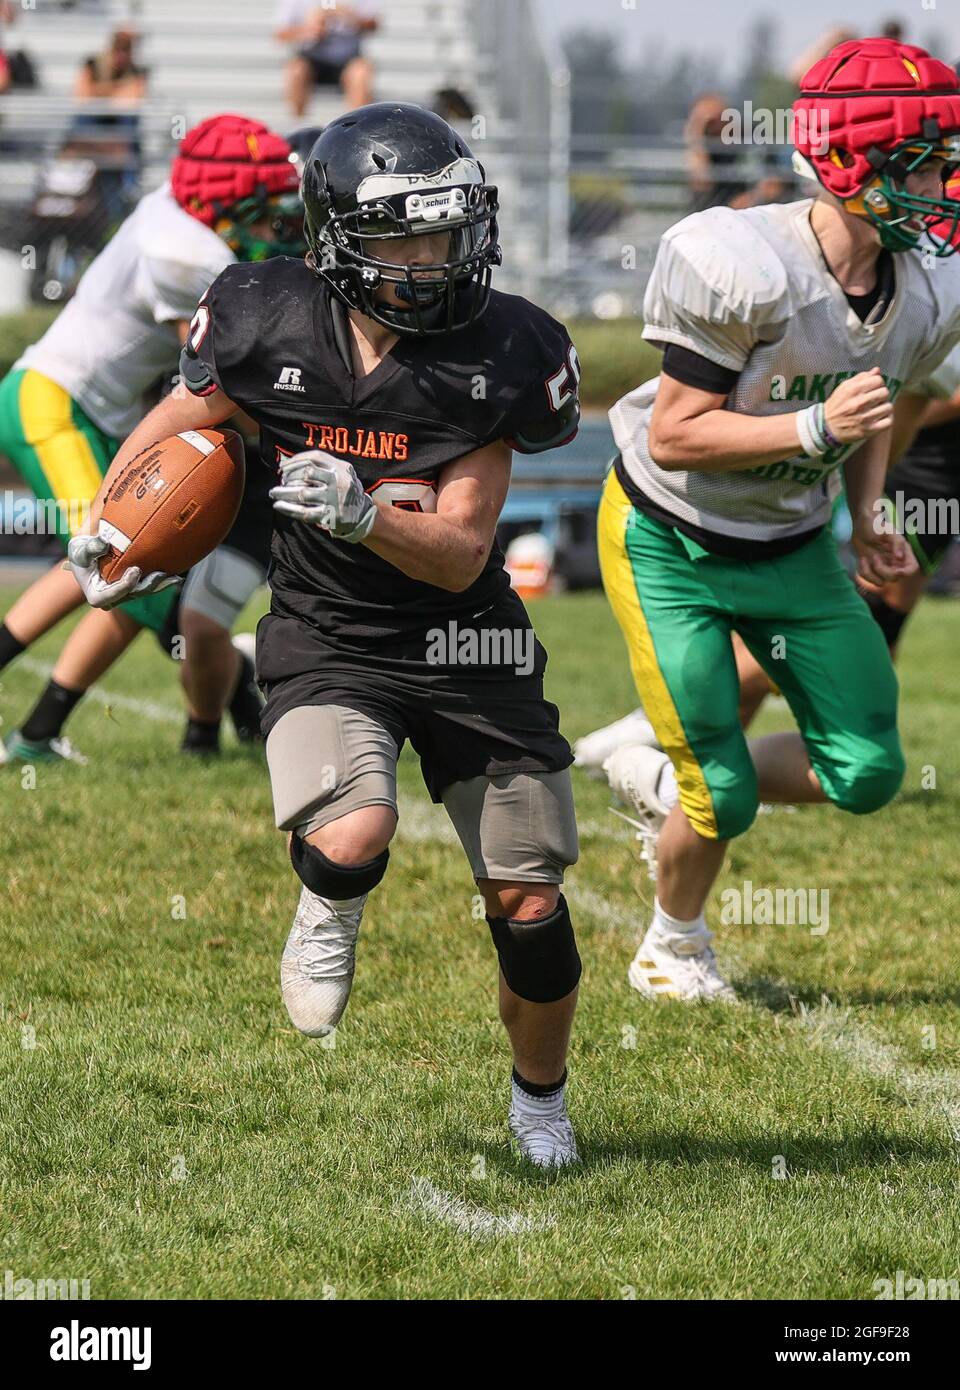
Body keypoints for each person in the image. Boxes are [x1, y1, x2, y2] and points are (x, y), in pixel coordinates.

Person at [67, 103, 585, 1167]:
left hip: (468, 642)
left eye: (448, 231)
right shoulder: (260, 311)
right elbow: (185, 417)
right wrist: (110, 517)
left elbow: (463, 551)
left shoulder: (506, 347)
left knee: (529, 898)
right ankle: (326, 904)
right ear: (338, 236)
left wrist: (363, 511)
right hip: (328, 632)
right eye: (404, 235)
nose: (434, 258)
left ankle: (541, 1101)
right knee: (352, 834)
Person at [594, 36, 960, 1003]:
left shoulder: (923, 286)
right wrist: (810, 424)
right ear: (854, 165)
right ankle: (671, 947)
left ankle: (664, 778)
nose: (944, 180)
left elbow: (879, 403)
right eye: (926, 159)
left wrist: (867, 506)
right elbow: (673, 436)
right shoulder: (740, 261)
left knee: (871, 769)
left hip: (792, 537)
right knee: (724, 788)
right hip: (670, 532)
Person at [0, 114, 303, 763]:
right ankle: (38, 736)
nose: (266, 224)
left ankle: (48, 734)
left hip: (76, 406)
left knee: (128, 569)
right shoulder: (189, 254)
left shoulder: (173, 210)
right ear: (227, 197)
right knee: (120, 562)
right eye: (258, 205)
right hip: (56, 404)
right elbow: (218, 379)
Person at [274, 1, 377, 117]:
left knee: (361, 71)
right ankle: (298, 123)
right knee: (296, 70)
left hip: (348, 59)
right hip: (310, 58)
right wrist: (309, 30)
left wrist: (349, 17)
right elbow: (280, 35)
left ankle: (356, 124)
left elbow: (373, 25)